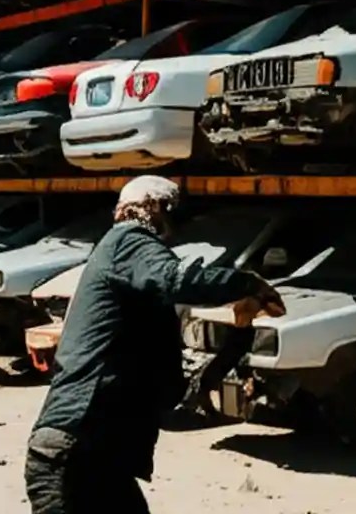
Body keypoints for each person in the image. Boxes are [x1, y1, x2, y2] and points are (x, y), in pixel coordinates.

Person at [25, 175, 286, 514]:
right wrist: (246, 283)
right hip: (72, 454)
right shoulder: (127, 239)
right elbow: (175, 279)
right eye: (172, 211)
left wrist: (241, 330)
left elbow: (180, 395)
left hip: (103, 463)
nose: (175, 227)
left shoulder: (138, 301)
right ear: (153, 208)